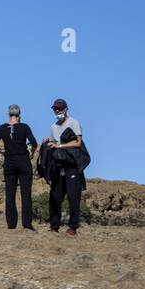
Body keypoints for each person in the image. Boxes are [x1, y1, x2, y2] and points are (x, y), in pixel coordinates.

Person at [0, 104, 39, 230]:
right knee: (26, 193)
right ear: (19, 115)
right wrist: (31, 154)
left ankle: (11, 224)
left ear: (9, 114)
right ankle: (27, 223)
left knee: (10, 194)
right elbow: (34, 143)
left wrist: (3, 152)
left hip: (9, 162)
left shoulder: (2, 128)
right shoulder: (24, 127)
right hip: (23, 161)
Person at [45, 98, 84, 236]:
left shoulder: (74, 122)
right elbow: (53, 141)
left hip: (72, 164)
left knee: (73, 196)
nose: (57, 111)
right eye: (55, 109)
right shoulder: (53, 126)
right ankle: (54, 225)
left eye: (60, 109)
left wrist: (60, 145)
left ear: (66, 109)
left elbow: (78, 142)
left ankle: (73, 226)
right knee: (55, 195)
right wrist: (48, 142)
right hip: (58, 164)